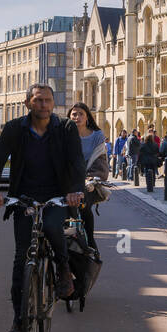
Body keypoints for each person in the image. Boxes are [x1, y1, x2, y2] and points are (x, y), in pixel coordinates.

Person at [0, 85, 84, 332]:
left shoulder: (65, 129)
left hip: (55, 196)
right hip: (24, 198)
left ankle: (63, 267)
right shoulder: (14, 129)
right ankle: (18, 321)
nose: (43, 105)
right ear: (28, 103)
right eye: (38, 100)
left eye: (48, 101)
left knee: (53, 228)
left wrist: (75, 191)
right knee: (22, 259)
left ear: (53, 103)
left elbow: (76, 162)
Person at [67, 102, 109, 251]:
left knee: (84, 207)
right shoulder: (64, 134)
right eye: (74, 114)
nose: (77, 117)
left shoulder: (96, 136)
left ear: (87, 117)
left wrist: (93, 178)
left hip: (89, 180)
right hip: (69, 179)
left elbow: (101, 161)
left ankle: (90, 241)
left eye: (80, 114)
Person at [138, 126, 160, 192]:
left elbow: (140, 153)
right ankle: (153, 183)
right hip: (153, 160)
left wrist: (139, 161)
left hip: (146, 160)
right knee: (153, 171)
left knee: (147, 171)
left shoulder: (143, 145)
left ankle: (148, 183)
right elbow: (158, 152)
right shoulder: (155, 144)